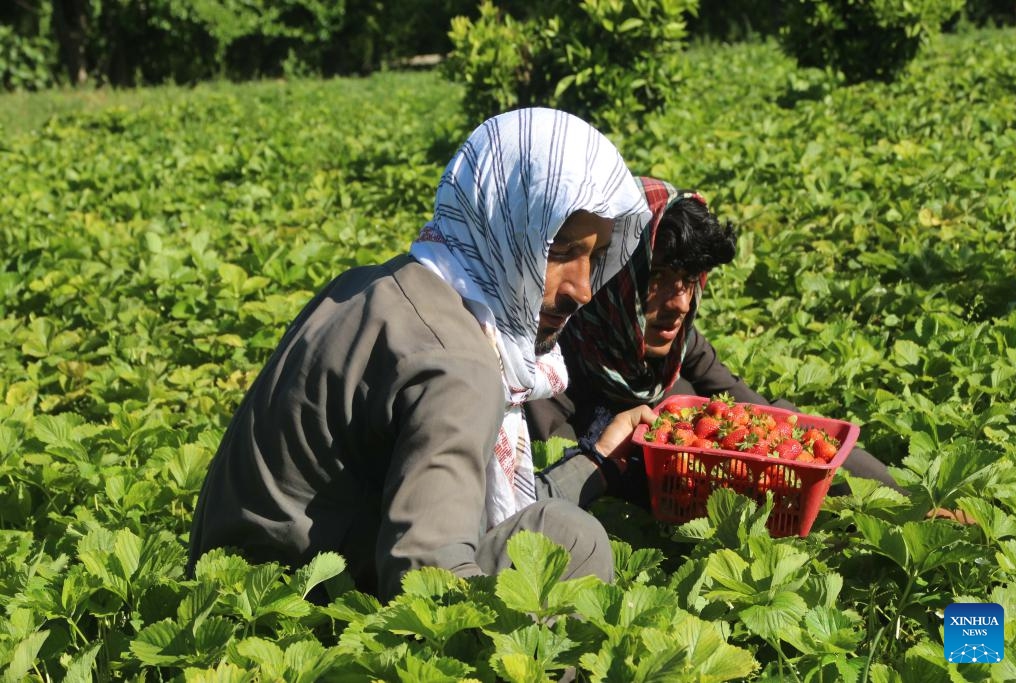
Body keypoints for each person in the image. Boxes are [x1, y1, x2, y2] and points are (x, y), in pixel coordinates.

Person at [186, 108, 658, 601]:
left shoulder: (370, 287)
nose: (583, 289)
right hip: (296, 624)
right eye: (560, 250)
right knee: (571, 539)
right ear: (506, 227)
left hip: (230, 592)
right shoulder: (460, 364)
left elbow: (448, 496)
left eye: (596, 254)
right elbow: (429, 588)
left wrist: (596, 459)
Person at [525, 176, 903, 495]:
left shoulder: (679, 343)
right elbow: (547, 488)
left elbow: (771, 421)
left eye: (690, 281)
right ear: (613, 271)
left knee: (686, 396)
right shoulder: (548, 360)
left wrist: (902, 499)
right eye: (658, 279)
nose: (681, 305)